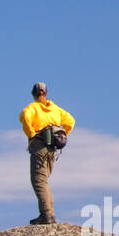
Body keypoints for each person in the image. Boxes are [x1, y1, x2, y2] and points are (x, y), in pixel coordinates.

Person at [19, 82, 75, 224]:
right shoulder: (55, 109)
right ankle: (49, 213)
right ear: (46, 93)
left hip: (39, 145)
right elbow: (70, 121)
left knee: (38, 180)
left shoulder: (32, 108)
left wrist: (31, 134)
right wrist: (64, 133)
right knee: (44, 180)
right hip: (52, 148)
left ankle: (47, 215)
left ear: (33, 94)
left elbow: (25, 117)